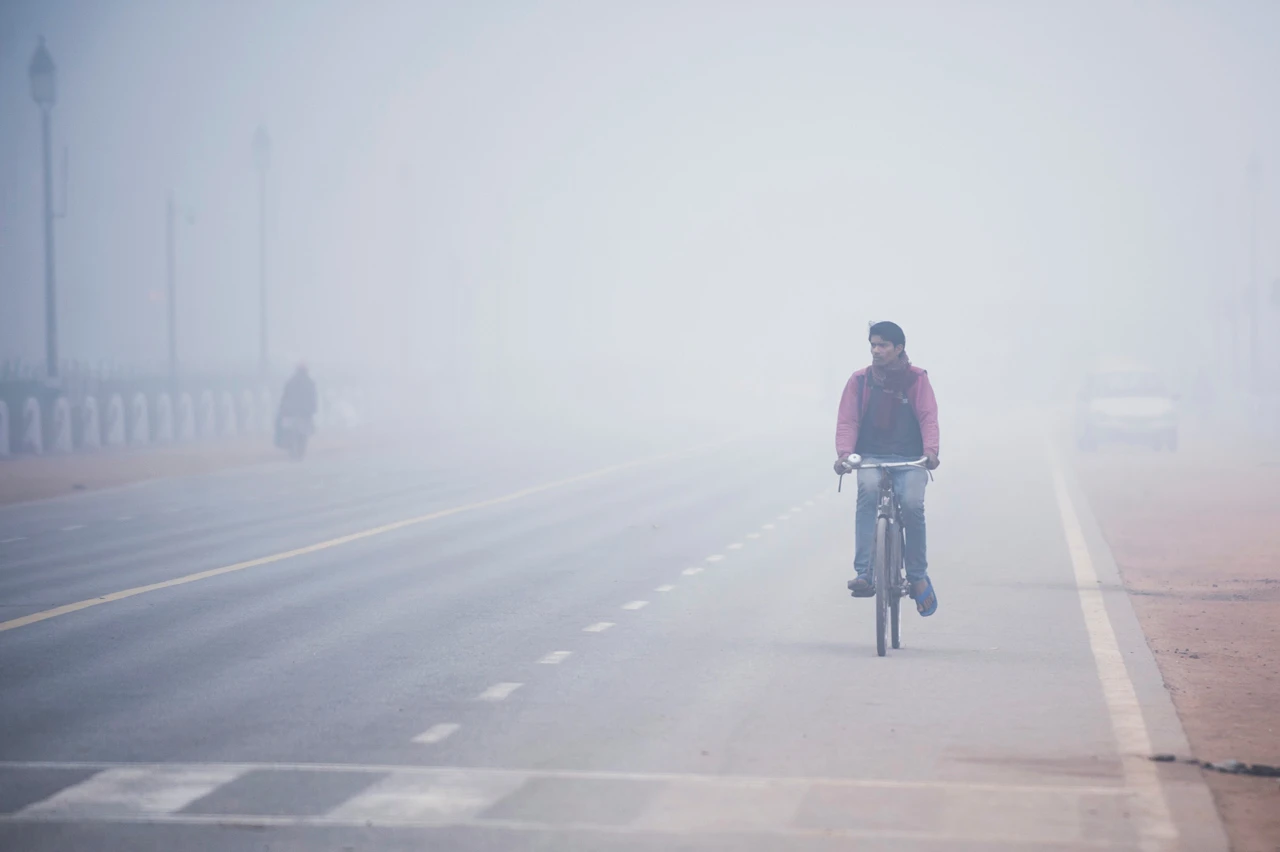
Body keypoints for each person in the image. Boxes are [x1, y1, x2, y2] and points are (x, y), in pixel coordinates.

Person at [834, 321, 940, 616]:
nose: (876, 350)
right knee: (867, 493)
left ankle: (917, 576)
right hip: (870, 457)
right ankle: (865, 573)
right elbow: (848, 421)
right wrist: (845, 455)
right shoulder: (860, 381)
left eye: (882, 345)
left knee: (912, 505)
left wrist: (931, 452)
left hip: (911, 460)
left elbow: (928, 418)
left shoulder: (917, 379)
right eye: (873, 345)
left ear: (899, 348)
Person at [276, 363, 317, 440]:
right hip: (301, 412)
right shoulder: (309, 382)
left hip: (295, 411)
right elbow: (313, 398)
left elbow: (285, 396)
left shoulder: (291, 381)